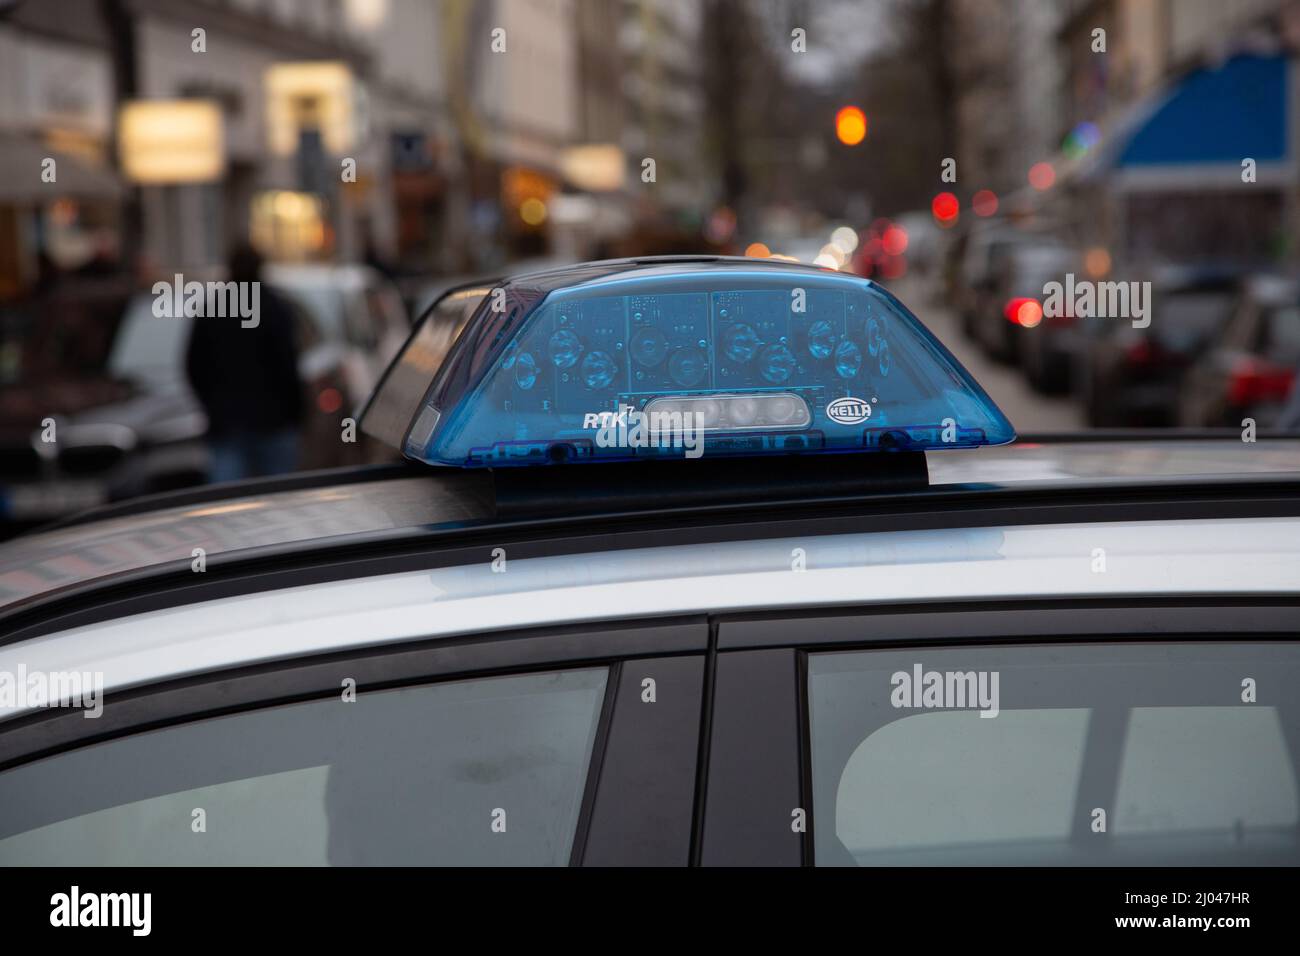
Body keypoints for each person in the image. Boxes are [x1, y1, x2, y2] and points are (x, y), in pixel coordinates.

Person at [185, 244, 303, 483]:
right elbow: (288, 364)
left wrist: (212, 405)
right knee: (281, 498)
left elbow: (193, 364)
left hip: (228, 422)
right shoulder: (275, 308)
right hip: (273, 420)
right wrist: (296, 411)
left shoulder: (213, 309)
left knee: (227, 501)